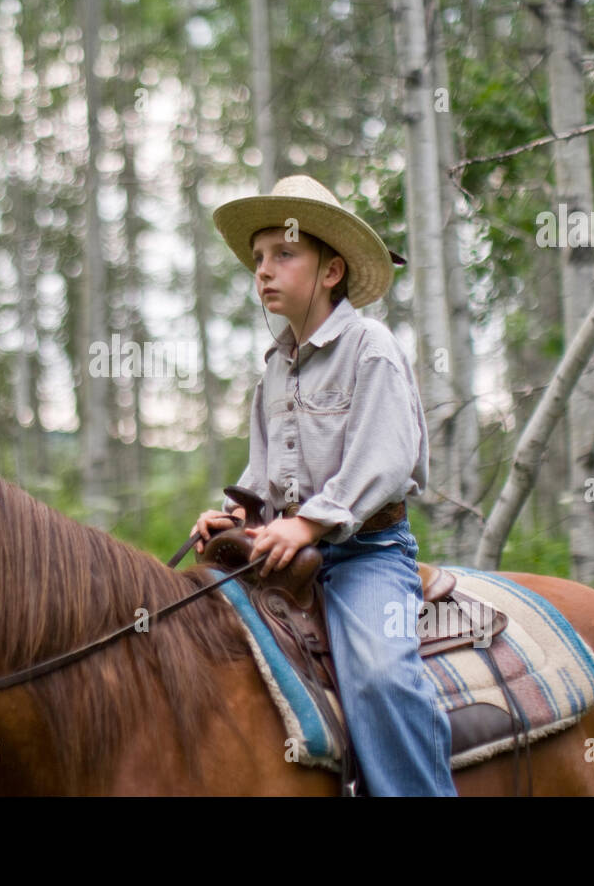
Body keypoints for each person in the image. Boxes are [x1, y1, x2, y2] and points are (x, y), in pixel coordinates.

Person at [189, 174, 457, 796]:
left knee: (381, 678)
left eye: (283, 254)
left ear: (331, 270)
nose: (264, 271)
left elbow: (387, 459)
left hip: (365, 555)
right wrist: (235, 515)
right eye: (258, 258)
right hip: (283, 553)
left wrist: (310, 521)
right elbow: (263, 479)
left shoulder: (372, 348)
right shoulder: (273, 371)